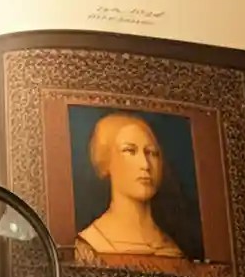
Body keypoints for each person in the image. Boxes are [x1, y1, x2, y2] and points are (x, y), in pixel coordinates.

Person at [75, 112, 186, 261]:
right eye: (130, 151)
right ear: (107, 161)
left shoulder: (171, 248)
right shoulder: (90, 243)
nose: (145, 165)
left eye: (152, 153)